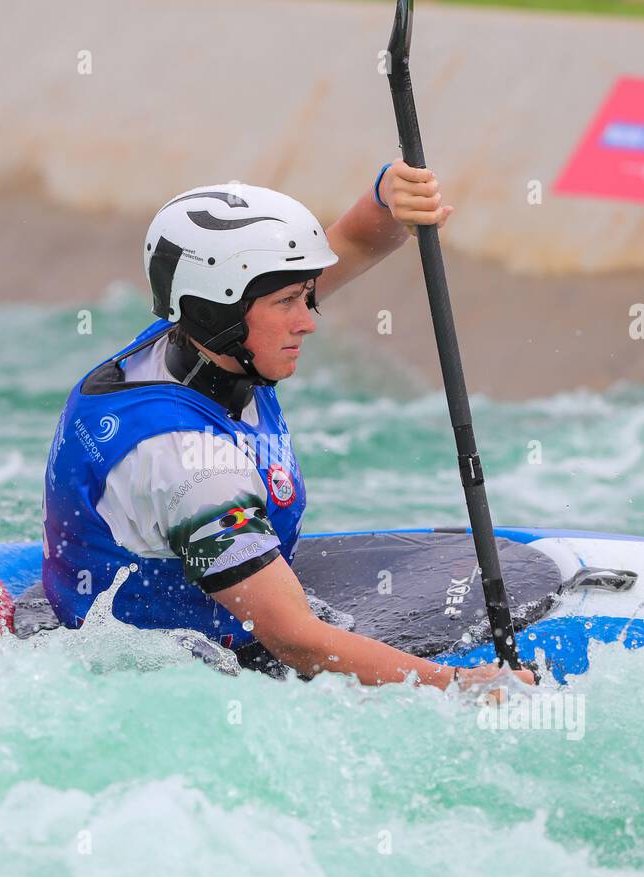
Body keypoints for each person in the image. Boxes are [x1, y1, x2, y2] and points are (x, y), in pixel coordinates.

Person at [43, 159, 534, 692]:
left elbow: (355, 244)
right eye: (287, 303)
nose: (307, 321)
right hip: (167, 678)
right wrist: (463, 688)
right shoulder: (188, 464)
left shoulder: (186, 340)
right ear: (216, 313)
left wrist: (387, 200)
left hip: (186, 610)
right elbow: (295, 639)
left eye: (306, 297)